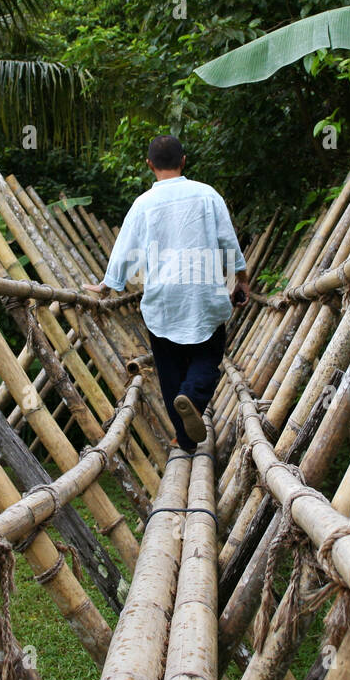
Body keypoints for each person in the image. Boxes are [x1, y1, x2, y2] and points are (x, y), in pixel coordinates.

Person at [84, 135, 249, 451]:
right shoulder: (207, 195)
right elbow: (228, 242)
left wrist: (108, 284)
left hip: (163, 298)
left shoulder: (143, 204)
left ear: (149, 165)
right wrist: (241, 279)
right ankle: (193, 396)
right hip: (204, 294)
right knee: (208, 356)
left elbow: (126, 248)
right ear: (184, 161)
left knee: (169, 367)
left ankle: (185, 437)